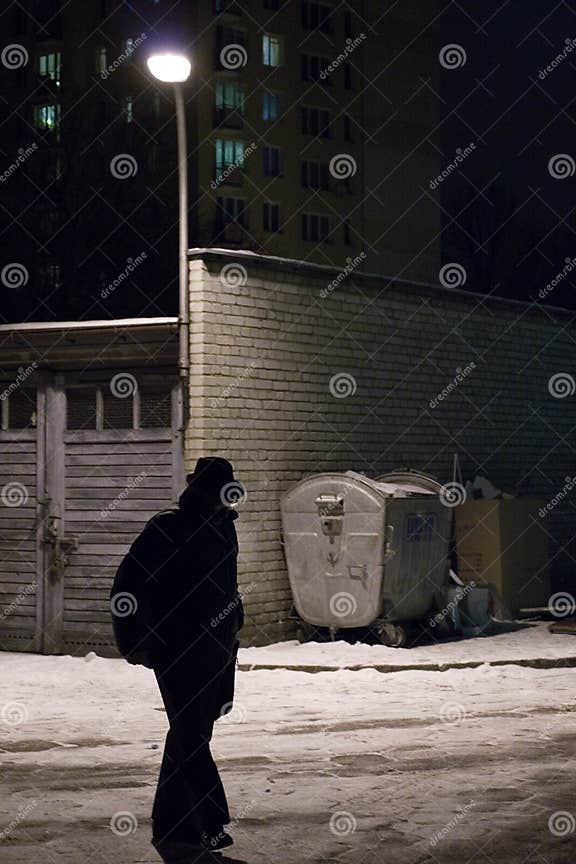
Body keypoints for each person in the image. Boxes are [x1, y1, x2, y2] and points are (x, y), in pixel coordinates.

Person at [110, 457, 244, 862]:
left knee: (192, 735)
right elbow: (128, 586)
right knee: (189, 735)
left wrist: (235, 617)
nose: (227, 500)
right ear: (200, 492)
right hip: (178, 650)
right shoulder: (166, 530)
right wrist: (138, 640)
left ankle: (172, 822)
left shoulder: (225, 529)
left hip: (218, 650)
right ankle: (211, 823)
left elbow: (225, 587)